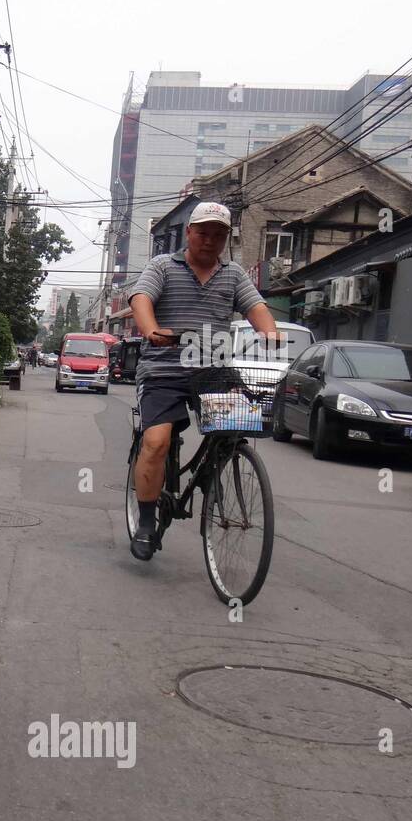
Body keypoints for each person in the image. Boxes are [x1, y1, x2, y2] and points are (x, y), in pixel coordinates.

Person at [127, 201, 279, 561]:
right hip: (164, 369)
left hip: (214, 371)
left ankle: (213, 477)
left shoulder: (234, 274)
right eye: (204, 233)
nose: (210, 241)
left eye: (219, 235)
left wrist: (270, 332)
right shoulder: (163, 265)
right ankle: (146, 523)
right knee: (157, 441)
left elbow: (255, 307)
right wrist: (151, 330)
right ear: (189, 233)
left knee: (236, 430)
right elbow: (140, 298)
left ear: (226, 238)